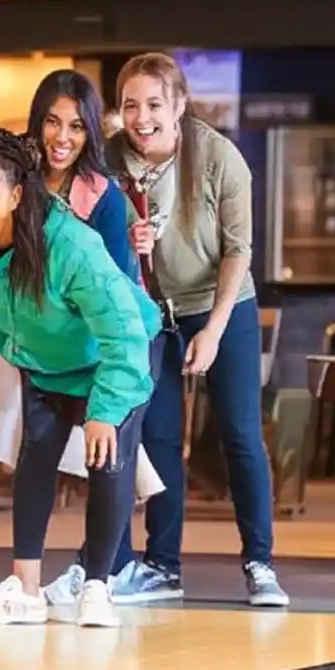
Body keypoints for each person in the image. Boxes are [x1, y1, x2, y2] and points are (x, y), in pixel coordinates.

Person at [0, 128, 161, 627]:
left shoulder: (70, 245)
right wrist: (13, 348)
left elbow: (123, 335)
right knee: (36, 453)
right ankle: (26, 589)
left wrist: (104, 412)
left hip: (116, 352)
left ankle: (98, 588)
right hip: (44, 360)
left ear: (17, 194)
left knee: (108, 460)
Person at [99, 52, 288, 608]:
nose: (142, 117)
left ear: (178, 105)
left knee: (240, 436)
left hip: (220, 305)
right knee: (157, 441)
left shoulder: (217, 157)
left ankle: (260, 561)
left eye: (154, 104)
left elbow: (239, 251)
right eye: (130, 105)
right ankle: (162, 566)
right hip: (151, 313)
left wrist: (215, 328)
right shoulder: (109, 162)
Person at [0, 69, 147, 481]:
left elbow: (117, 289)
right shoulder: (12, 179)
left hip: (92, 339)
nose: (62, 138)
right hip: (26, 333)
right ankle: (29, 549)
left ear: (90, 132)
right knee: (34, 454)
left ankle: (112, 549)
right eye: (52, 122)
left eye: (76, 126)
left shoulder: (103, 195)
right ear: (37, 121)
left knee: (111, 462)